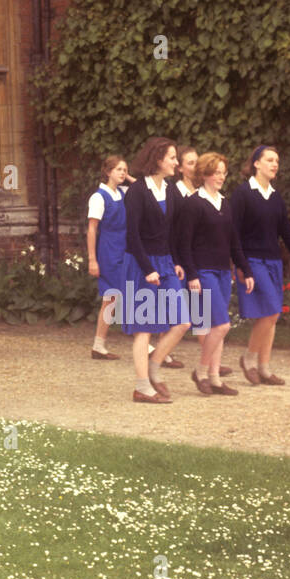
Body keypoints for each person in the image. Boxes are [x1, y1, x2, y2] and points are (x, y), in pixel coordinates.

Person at [230, 145, 290, 386]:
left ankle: (264, 368)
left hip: (273, 262)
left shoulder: (275, 197)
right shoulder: (242, 194)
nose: (274, 165)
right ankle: (249, 359)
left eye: (277, 161)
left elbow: (287, 233)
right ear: (256, 164)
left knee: (271, 315)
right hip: (251, 260)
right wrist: (239, 264)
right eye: (269, 160)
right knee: (271, 310)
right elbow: (233, 234)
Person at [121, 136, 192, 403]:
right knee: (145, 328)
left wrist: (174, 261)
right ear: (158, 159)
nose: (176, 162)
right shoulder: (138, 191)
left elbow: (171, 232)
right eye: (173, 157)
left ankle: (153, 367)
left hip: (165, 263)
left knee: (183, 321)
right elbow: (132, 236)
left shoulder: (171, 190)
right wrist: (148, 268)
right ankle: (141, 387)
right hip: (142, 266)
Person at [177, 152, 249, 396]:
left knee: (212, 327)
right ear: (205, 174)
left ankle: (215, 379)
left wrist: (244, 269)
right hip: (202, 272)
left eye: (223, 172)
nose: (221, 177)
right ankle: (200, 371)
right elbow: (183, 244)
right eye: (216, 172)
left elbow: (233, 242)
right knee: (222, 326)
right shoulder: (193, 203)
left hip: (222, 272)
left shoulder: (225, 203)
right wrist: (191, 274)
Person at [86, 153, 129, 360]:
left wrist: (128, 178)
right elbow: (92, 229)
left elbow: (144, 189)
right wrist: (92, 259)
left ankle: (98, 345)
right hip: (109, 250)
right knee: (118, 295)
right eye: (119, 169)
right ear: (108, 172)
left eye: (125, 170)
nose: (123, 173)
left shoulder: (123, 192)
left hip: (124, 248)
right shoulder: (98, 197)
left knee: (112, 298)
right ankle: (145, 344)